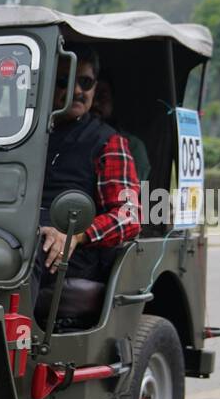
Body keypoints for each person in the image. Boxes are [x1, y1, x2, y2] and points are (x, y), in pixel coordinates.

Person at [31, 43, 140, 310]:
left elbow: (129, 215)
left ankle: (14, 347)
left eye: (86, 82)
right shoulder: (22, 134)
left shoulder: (107, 142)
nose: (77, 90)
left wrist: (77, 234)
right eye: (64, 81)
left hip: (71, 249)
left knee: (25, 254)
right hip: (21, 232)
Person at [91, 77, 150, 183]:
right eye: (92, 96)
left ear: (112, 101)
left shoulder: (133, 146)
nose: (95, 103)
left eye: (102, 97)